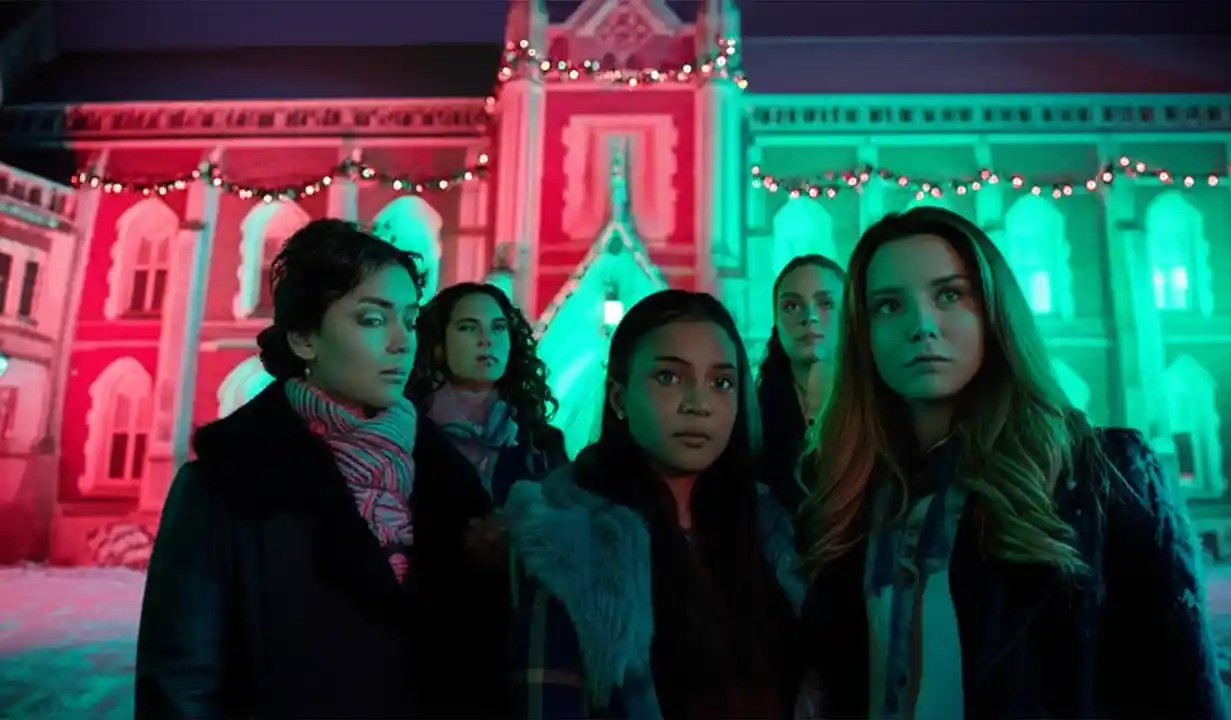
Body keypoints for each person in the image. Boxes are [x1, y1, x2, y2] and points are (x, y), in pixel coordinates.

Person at [797, 207, 1226, 719]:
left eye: (950, 295)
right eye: (888, 306)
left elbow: (1179, 691)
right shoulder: (852, 495)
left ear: (994, 311)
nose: (922, 325)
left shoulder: (1102, 479)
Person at [135, 219, 433, 718]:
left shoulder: (446, 479)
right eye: (373, 320)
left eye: (411, 318)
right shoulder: (227, 485)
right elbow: (181, 682)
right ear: (303, 338)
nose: (403, 342)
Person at [505, 289, 807, 719]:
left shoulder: (772, 530)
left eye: (721, 382)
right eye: (669, 377)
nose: (698, 405)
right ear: (619, 398)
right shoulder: (569, 543)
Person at [407, 281, 567, 717]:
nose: (486, 339)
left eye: (498, 327)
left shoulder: (539, 443)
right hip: (425, 644)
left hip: (512, 647)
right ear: (437, 346)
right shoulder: (406, 438)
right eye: (468, 327)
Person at [756, 254, 845, 515]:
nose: (810, 317)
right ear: (776, 322)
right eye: (792, 306)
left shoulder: (880, 414)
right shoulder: (753, 417)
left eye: (826, 303)